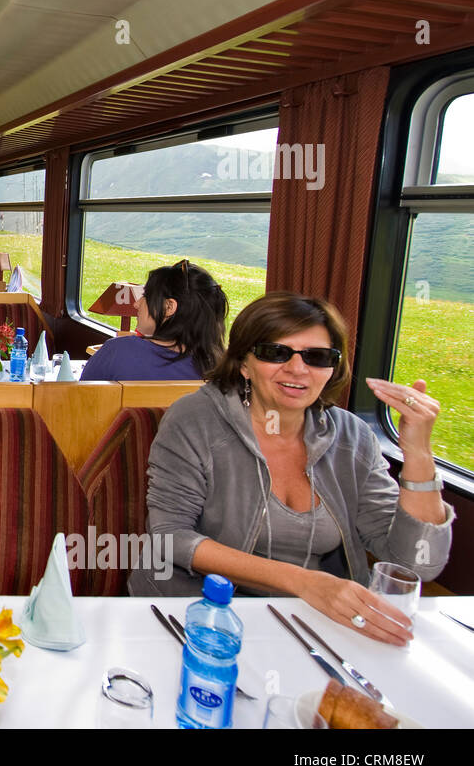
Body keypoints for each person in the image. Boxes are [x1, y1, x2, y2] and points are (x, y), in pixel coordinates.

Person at [129, 292, 454, 645]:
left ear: (332, 369)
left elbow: (416, 565)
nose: (298, 369)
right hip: (195, 614)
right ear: (243, 363)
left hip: (311, 624)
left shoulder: (353, 438)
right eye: (275, 353)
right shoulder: (195, 421)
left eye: (317, 357)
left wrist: (419, 451)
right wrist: (301, 581)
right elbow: (170, 537)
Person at [82, 259, 227, 381]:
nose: (136, 304)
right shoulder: (221, 369)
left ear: (169, 307)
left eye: (146, 295)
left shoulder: (117, 352)